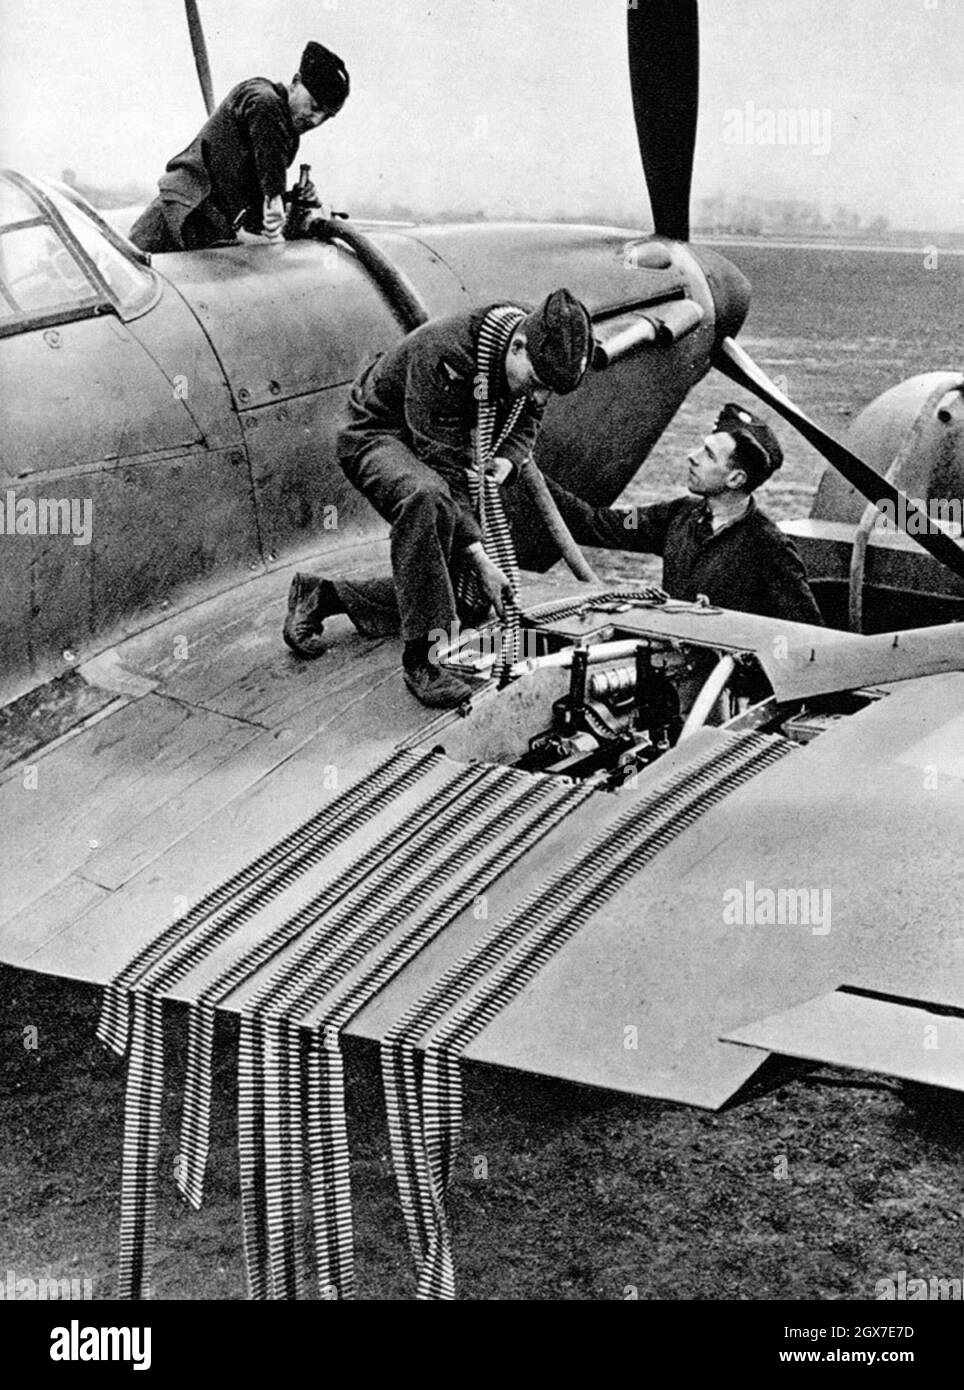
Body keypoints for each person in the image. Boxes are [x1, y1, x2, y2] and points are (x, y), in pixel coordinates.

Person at [283, 289, 593, 707]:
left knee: (463, 605)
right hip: (379, 434)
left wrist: (507, 459)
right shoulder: (449, 356)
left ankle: (323, 596)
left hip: (430, 445)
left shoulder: (528, 342)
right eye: (537, 384)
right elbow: (445, 469)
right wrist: (482, 559)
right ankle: (424, 661)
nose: (539, 397)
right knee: (426, 498)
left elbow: (526, 417)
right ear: (518, 346)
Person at [544, 404, 825, 627]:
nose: (692, 456)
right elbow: (599, 524)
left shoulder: (768, 546)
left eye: (709, 455)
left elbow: (806, 633)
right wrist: (530, 476)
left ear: (735, 479)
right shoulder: (678, 516)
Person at [129, 41, 349, 253]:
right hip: (180, 215)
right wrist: (274, 198)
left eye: (326, 116)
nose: (315, 120)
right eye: (314, 106)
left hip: (208, 225)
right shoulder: (263, 96)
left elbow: (253, 190)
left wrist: (293, 198)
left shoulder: (285, 136)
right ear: (295, 82)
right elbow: (267, 119)